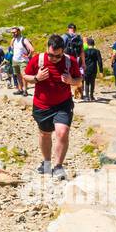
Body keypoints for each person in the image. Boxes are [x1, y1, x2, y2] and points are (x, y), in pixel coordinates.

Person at [24, 34, 83, 180]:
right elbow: (25, 76)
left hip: (63, 104)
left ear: (63, 51)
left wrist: (71, 80)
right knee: (45, 134)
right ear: (47, 49)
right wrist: (37, 78)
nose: (54, 59)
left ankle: (58, 166)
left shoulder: (70, 61)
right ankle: (46, 162)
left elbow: (79, 80)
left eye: (57, 56)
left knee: (62, 132)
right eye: (51, 55)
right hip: (42, 105)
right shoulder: (38, 59)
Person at [9, 27, 32, 95]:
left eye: (14, 32)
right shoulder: (13, 40)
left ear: (19, 32)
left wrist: (28, 56)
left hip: (23, 61)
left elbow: (32, 49)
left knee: (24, 75)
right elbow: (11, 47)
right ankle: (20, 89)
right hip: (15, 60)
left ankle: (25, 90)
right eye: (12, 33)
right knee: (18, 75)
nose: (13, 34)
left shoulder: (24, 39)